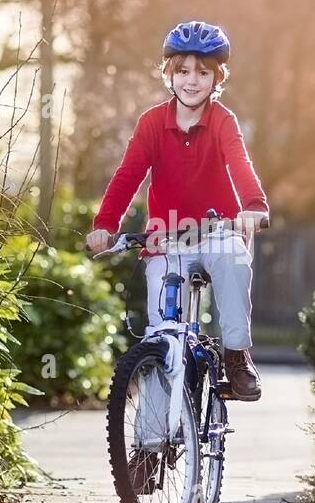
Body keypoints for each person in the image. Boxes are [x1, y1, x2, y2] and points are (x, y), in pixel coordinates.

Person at [85, 20, 270, 400]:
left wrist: (252, 207)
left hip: (219, 234)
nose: (192, 81)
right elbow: (127, 176)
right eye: (183, 71)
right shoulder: (152, 122)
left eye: (203, 73)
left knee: (235, 259)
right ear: (168, 73)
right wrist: (105, 224)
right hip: (167, 241)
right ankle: (149, 449)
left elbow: (240, 163)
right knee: (161, 342)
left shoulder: (222, 121)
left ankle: (237, 357)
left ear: (217, 78)